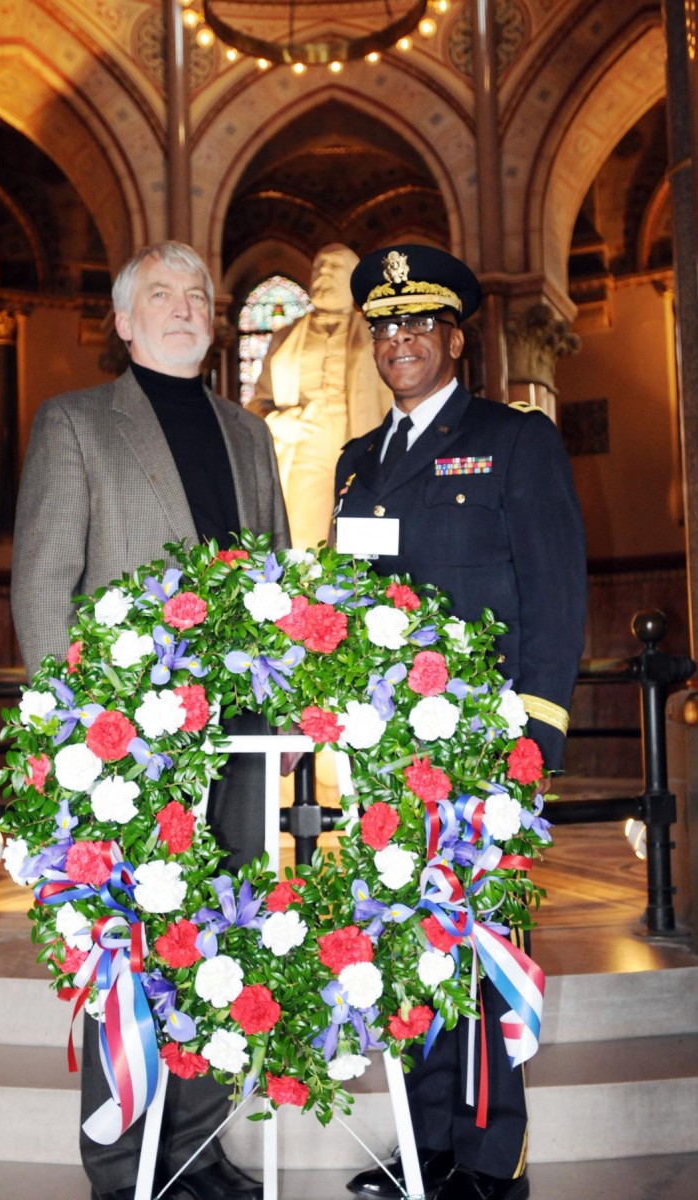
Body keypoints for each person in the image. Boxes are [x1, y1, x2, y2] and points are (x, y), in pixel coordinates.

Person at [11, 241, 290, 1200]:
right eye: (161, 297)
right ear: (124, 322)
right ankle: (123, 1162)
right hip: (125, 745)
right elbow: (45, 581)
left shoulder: (248, 434)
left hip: (242, 739)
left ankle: (197, 1152)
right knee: (131, 945)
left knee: (219, 943)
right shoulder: (76, 423)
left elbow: (275, 580)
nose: (184, 309)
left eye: (198, 297)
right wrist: (69, 734)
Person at [335, 245, 586, 1200]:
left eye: (416, 325)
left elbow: (554, 594)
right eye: (382, 329)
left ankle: (487, 1157)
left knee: (477, 954)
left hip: (485, 747)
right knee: (407, 944)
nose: (397, 342)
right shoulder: (358, 465)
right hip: (386, 756)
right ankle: (426, 1142)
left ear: (453, 337)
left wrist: (536, 736)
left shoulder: (514, 440)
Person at [250, 243, 391, 551]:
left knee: (360, 553)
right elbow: (256, 404)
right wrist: (276, 422)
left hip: (366, 456)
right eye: (318, 267)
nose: (323, 274)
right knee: (302, 551)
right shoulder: (285, 337)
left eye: (334, 268)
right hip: (303, 461)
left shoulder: (379, 334)